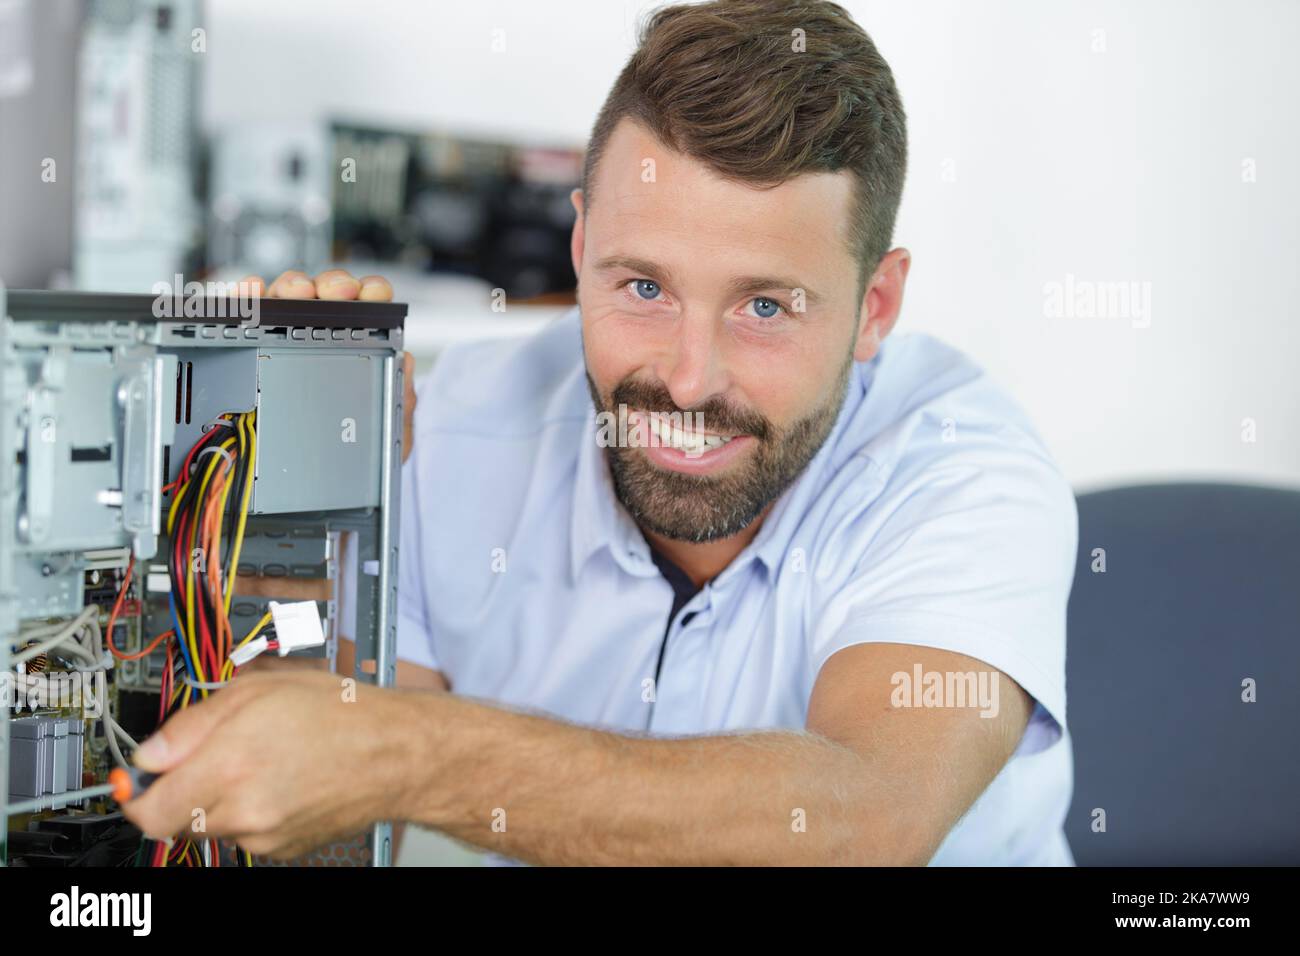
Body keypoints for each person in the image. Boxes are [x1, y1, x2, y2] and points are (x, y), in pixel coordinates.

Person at [122, 0, 1077, 865]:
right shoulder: (453, 433)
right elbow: (322, 813)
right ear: (580, 250)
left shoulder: (965, 475)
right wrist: (317, 514)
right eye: (645, 288)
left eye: (766, 307)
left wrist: (402, 753)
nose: (688, 379)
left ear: (876, 305)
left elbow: (867, 822)